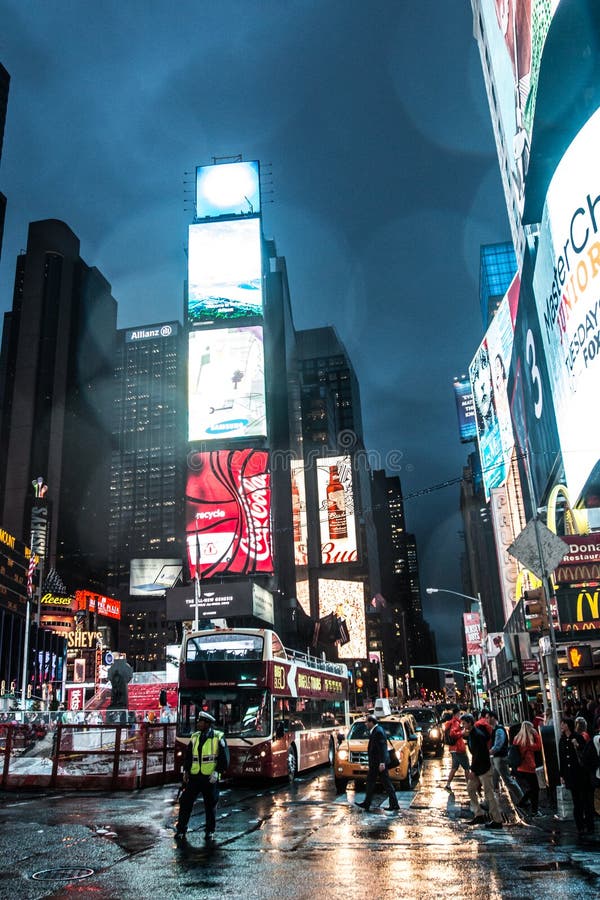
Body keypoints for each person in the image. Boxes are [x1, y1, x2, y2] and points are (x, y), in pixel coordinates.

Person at [176, 711, 230, 841]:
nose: (198, 724)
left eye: (200, 722)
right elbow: (189, 756)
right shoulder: (194, 737)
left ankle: (210, 831)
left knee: (210, 805)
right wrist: (186, 771)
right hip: (195, 777)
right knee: (185, 802)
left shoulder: (218, 737)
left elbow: (225, 758)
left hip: (209, 778)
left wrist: (217, 772)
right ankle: (181, 830)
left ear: (207, 724)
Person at [460, 713, 503, 829]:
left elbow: (478, 754)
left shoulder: (476, 735)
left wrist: (473, 770)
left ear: (469, 723)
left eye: (464, 723)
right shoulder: (473, 734)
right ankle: (479, 814)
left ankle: (497, 820)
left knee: (489, 794)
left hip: (483, 769)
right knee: (470, 789)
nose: (462, 725)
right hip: (479, 768)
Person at [355, 714, 400, 812]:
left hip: (378, 764)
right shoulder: (376, 730)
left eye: (367, 722)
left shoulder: (378, 731)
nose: (366, 724)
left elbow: (382, 748)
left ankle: (394, 804)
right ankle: (367, 803)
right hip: (375, 764)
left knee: (386, 784)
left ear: (371, 722)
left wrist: (382, 763)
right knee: (370, 783)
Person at [559, 716, 594, 837]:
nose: (561, 726)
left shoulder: (578, 737)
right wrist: (562, 775)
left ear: (568, 725)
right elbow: (562, 759)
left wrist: (577, 745)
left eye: (563, 724)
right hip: (570, 775)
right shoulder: (562, 740)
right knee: (576, 801)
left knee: (585, 800)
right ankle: (580, 826)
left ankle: (589, 825)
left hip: (581, 774)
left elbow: (585, 754)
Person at [486, 710, 524, 807]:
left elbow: (498, 746)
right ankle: (488, 801)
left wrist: (488, 752)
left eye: (488, 717)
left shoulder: (499, 730)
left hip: (500, 758)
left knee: (508, 780)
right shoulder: (496, 729)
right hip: (497, 758)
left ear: (493, 718)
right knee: (493, 780)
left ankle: (523, 799)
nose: (486, 720)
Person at [512, 720, 542, 816]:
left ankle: (522, 803)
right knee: (535, 789)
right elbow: (538, 747)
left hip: (520, 767)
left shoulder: (517, 739)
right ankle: (534, 810)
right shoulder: (527, 741)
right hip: (528, 767)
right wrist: (536, 735)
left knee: (532, 788)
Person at [443, 706, 470, 792]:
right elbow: (453, 734)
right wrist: (462, 732)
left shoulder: (451, 722)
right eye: (459, 714)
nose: (460, 715)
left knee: (454, 768)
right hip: (459, 748)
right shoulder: (456, 722)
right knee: (467, 767)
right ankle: (469, 786)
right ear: (456, 714)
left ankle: (448, 785)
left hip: (453, 749)